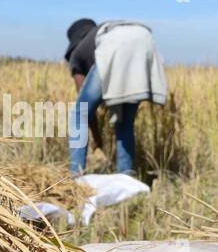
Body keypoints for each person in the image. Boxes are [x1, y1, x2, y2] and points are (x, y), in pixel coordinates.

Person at [65, 18, 168, 177]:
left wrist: (97, 138)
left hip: (115, 44)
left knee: (78, 115)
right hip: (144, 39)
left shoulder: (77, 53)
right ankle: (125, 179)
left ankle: (75, 178)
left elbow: (85, 108)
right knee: (125, 123)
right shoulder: (99, 33)